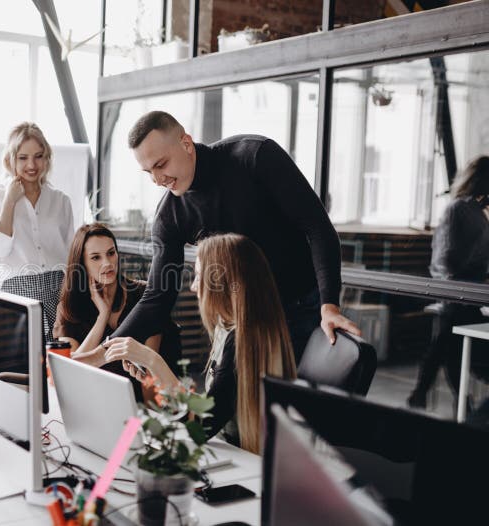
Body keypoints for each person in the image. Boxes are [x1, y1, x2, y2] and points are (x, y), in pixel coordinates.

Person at [111, 111, 360, 361]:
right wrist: (100, 353)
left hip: (302, 306)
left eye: (161, 164)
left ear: (186, 143)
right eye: (148, 172)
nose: (157, 180)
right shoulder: (170, 215)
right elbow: (157, 297)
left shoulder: (255, 156)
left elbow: (317, 227)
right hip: (238, 321)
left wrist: (329, 306)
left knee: (293, 397)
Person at [104, 233, 297, 453]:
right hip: (230, 449)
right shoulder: (230, 328)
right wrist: (157, 378)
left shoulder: (242, 341)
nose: (194, 287)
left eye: (198, 276)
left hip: (244, 462)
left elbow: (203, 425)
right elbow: (213, 406)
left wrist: (153, 360)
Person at [52, 223, 180, 394]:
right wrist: (102, 317)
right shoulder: (69, 306)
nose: (107, 263)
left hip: (137, 407)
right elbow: (70, 371)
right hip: (92, 401)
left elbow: (150, 386)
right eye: (96, 257)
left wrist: (143, 420)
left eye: (111, 253)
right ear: (81, 263)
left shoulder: (144, 296)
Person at [408, 156, 489, 409]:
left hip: (465, 292)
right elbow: (445, 257)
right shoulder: (460, 209)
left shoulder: (475, 212)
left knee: (447, 345)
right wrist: (457, 286)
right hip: (455, 292)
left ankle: (430, 396)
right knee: (448, 344)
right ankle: (446, 398)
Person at [0, 122, 74, 290]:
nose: (32, 165)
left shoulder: (61, 201)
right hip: (15, 292)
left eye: (38, 156)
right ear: (10, 160)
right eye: (23, 157)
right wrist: (9, 201)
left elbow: (69, 253)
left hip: (58, 289)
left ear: (46, 158)